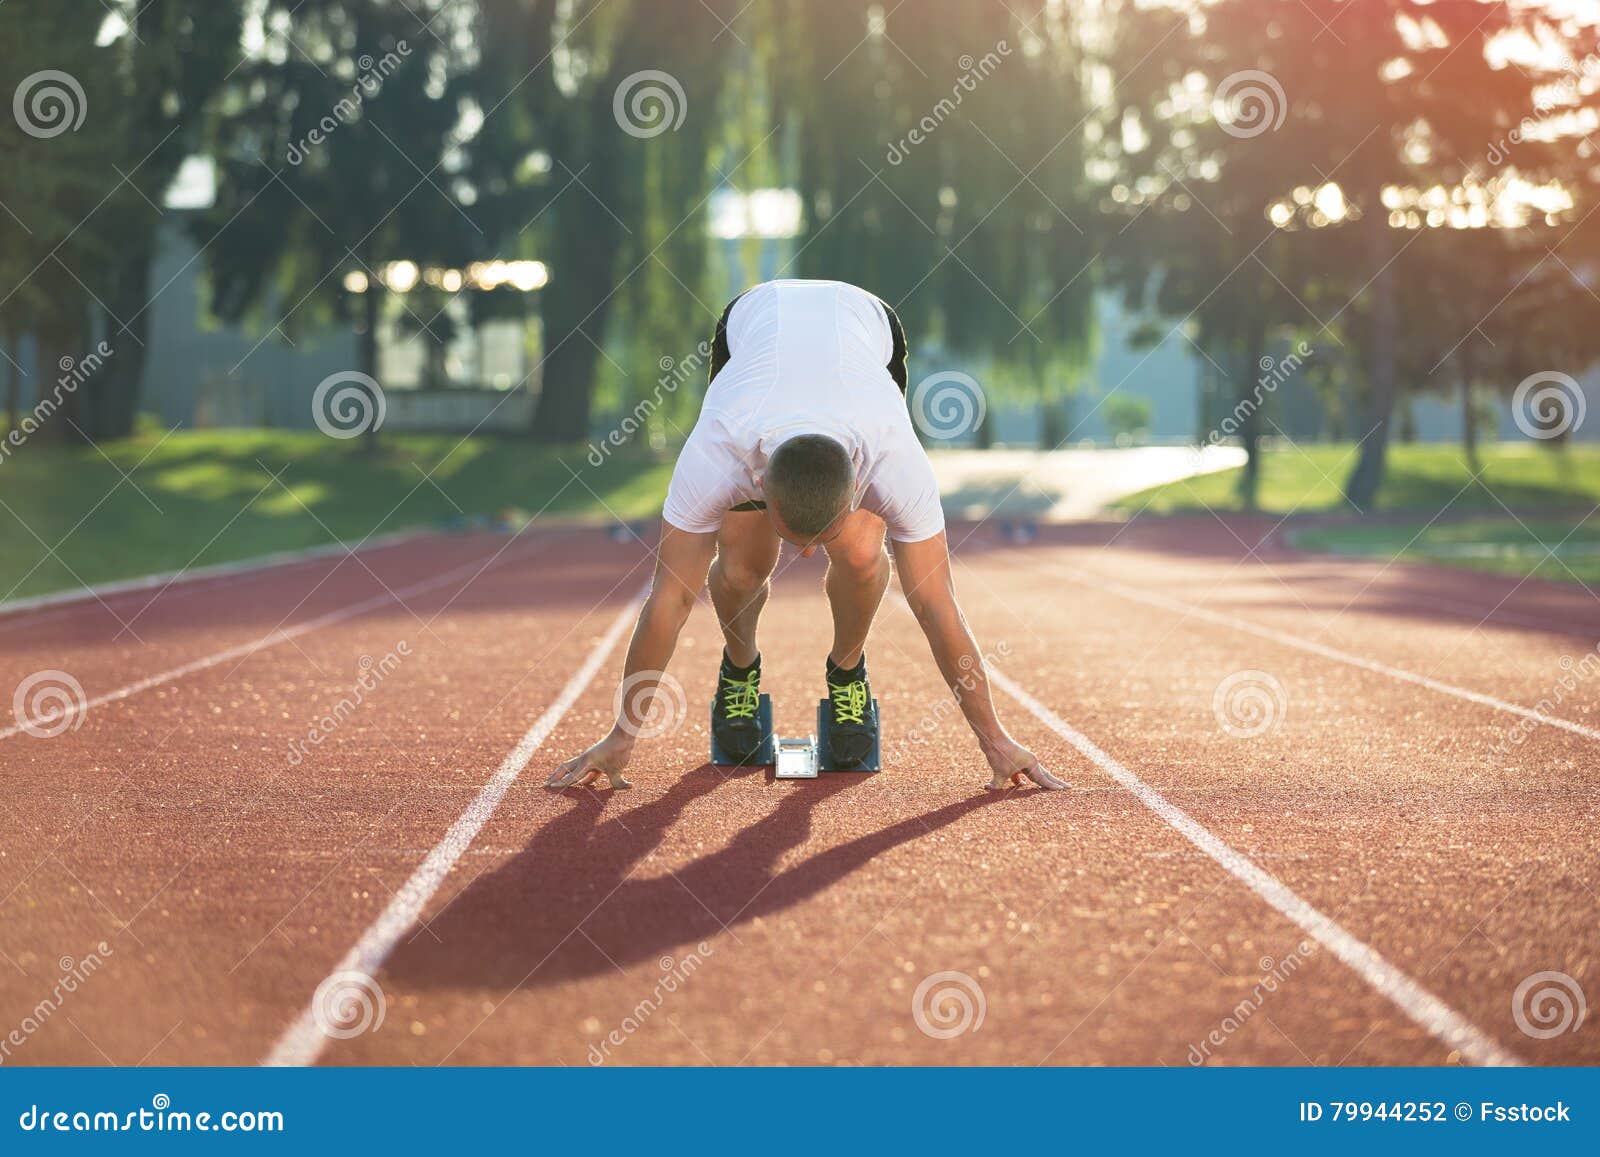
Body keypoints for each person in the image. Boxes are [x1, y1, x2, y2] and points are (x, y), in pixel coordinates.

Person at [547, 279, 1064, 792]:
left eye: (821, 534)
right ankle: (740, 670)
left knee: (861, 555)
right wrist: (622, 735)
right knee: (743, 566)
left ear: (857, 489)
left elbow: (936, 604)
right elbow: (671, 597)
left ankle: (848, 673)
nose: (810, 553)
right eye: (795, 535)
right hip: (755, 320)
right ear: (760, 488)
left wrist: (996, 740)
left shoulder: (895, 462)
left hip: (867, 325)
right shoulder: (717, 452)